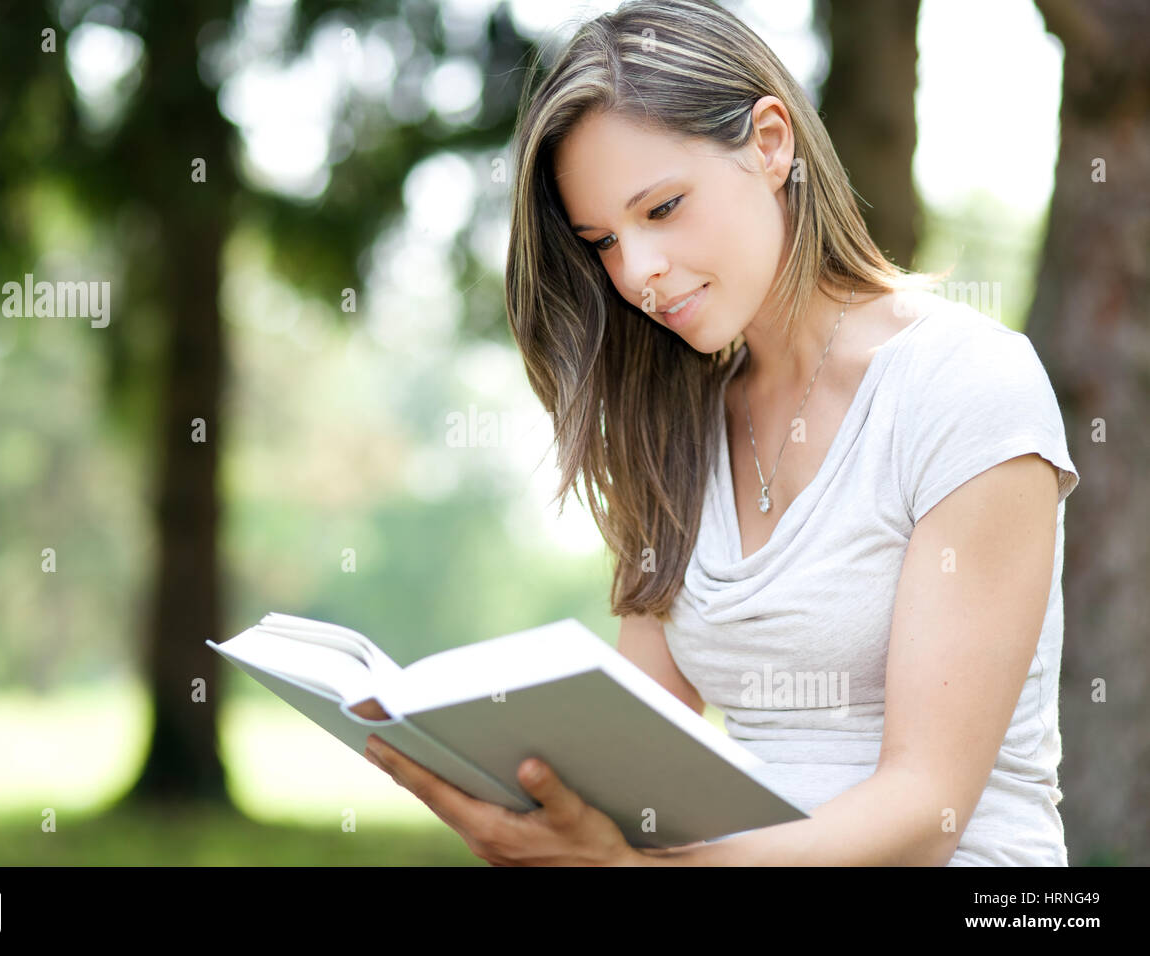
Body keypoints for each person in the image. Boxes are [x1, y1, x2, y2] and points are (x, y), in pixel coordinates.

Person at [365, 0, 1079, 866]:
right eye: (602, 242)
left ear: (770, 142)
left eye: (661, 209)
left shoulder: (965, 384)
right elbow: (633, 751)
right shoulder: (677, 416)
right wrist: (502, 786)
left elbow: (924, 810)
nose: (637, 273)